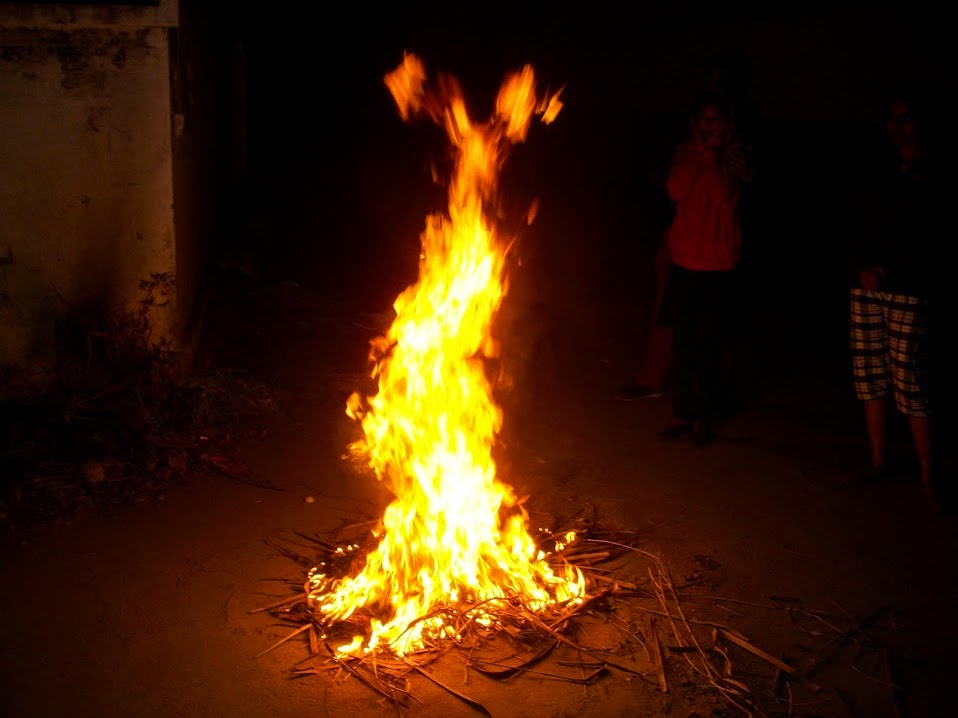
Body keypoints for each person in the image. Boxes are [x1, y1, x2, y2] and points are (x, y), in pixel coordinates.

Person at [844, 85, 947, 511]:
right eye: (891, 118)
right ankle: (878, 458)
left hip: (909, 288)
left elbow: (931, 235)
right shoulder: (876, 170)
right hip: (866, 287)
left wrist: (893, 271)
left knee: (911, 381)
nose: (895, 125)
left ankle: (928, 477)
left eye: (903, 118)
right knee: (871, 374)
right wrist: (863, 267)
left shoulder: (935, 175)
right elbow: (850, 219)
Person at [656, 89, 750, 445]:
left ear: (728, 123)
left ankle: (702, 418)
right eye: (704, 119)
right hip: (685, 262)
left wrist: (711, 154)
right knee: (684, 345)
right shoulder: (685, 152)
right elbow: (676, 188)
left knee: (710, 346)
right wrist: (698, 154)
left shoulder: (735, 156)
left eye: (717, 119)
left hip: (718, 266)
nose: (710, 126)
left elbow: (721, 191)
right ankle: (684, 413)